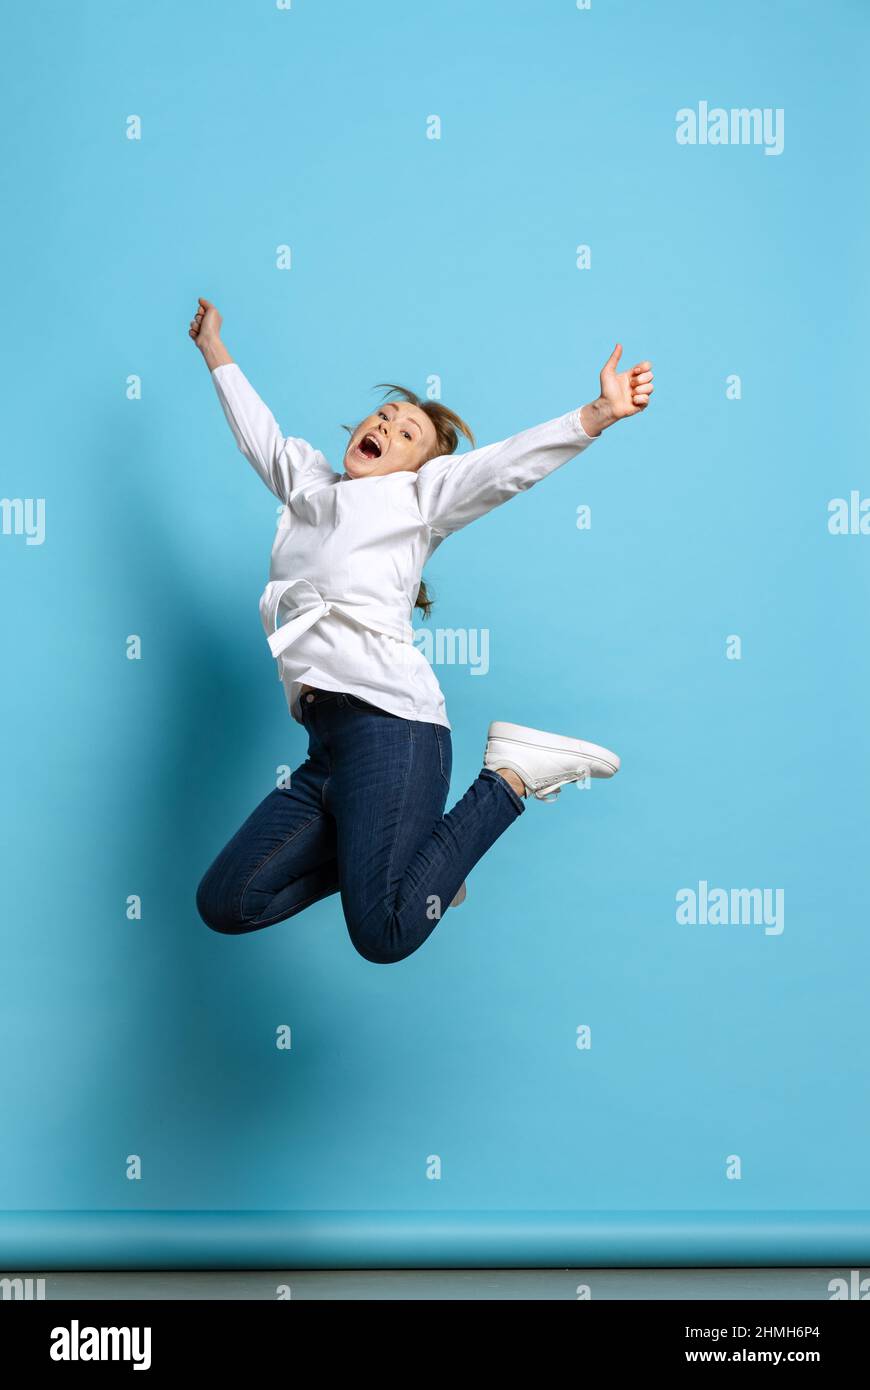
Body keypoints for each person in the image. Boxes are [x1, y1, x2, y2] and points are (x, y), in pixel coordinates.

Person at [190, 297, 653, 963]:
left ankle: (510, 777)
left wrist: (597, 415)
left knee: (385, 932)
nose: (388, 425)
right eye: (384, 416)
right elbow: (257, 433)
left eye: (409, 433)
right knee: (230, 900)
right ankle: (429, 864)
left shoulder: (416, 500)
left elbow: (503, 468)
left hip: (391, 730)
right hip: (328, 748)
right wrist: (213, 347)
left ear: (421, 466)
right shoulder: (309, 488)